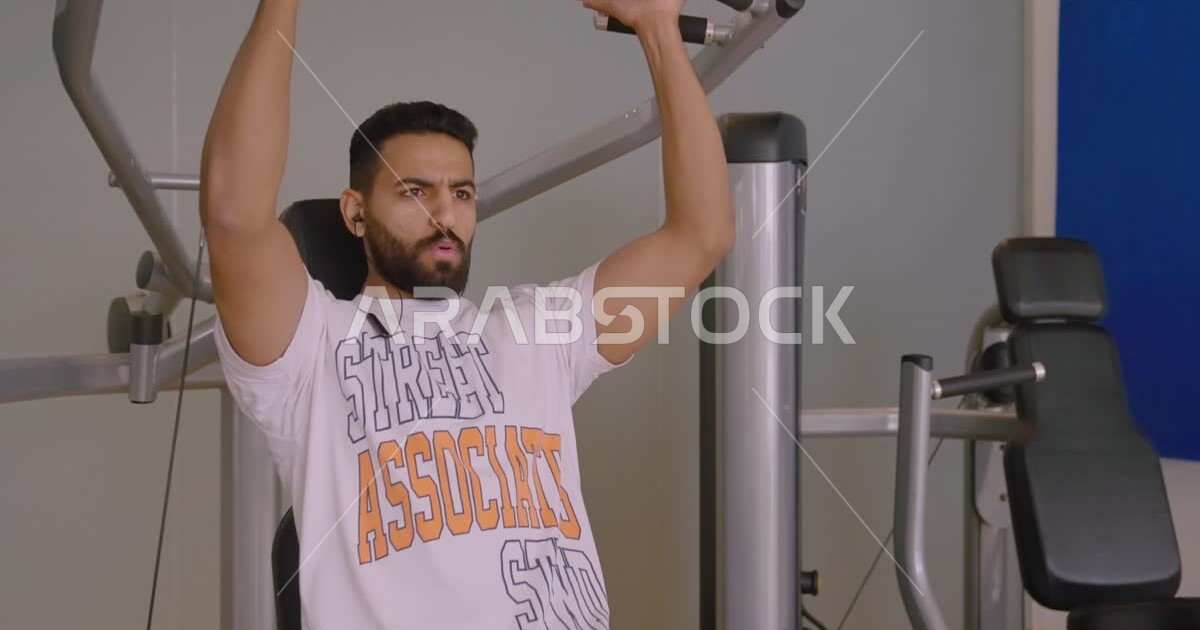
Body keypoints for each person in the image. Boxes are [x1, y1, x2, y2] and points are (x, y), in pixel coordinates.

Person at [200, 0, 733, 627]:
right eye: (412, 192)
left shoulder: (536, 331)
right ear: (354, 213)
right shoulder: (312, 345)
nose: (443, 215)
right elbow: (234, 216)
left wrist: (658, 28)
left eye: (460, 193)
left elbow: (700, 235)